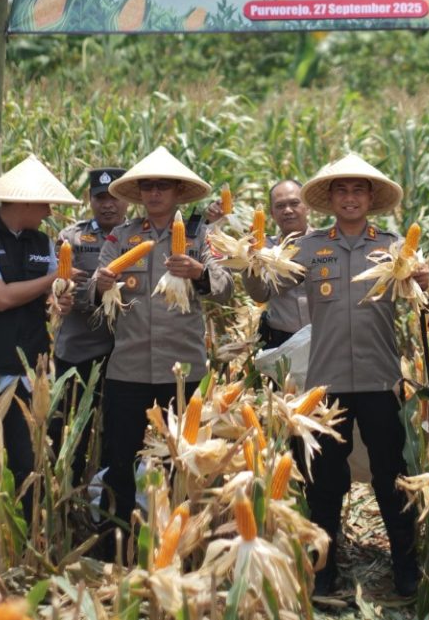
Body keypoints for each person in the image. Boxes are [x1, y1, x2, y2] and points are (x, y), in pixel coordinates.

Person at [245, 154, 427, 600]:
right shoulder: (308, 248)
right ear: (329, 200)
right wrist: (251, 261)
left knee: (392, 475)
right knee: (324, 481)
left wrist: (424, 279)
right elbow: (264, 293)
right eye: (342, 191)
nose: (350, 198)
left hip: (381, 380)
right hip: (325, 386)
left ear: (370, 198)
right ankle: (322, 569)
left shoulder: (392, 245)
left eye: (358, 191)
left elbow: (421, 302)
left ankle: (405, 568)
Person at [93, 146, 231, 554]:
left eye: (163, 187)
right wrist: (98, 284)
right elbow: (91, 289)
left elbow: (225, 288)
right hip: (128, 369)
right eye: (147, 187)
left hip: (182, 370)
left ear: (177, 193)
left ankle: (182, 544)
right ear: (138, 193)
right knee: (120, 462)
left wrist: (200, 272)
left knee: (181, 463)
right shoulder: (121, 236)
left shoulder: (199, 236)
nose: (154, 194)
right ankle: (114, 543)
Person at [0, 154, 76, 508]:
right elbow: (0, 298)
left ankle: (21, 547)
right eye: (45, 203)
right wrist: (54, 280)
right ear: (23, 201)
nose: (49, 212)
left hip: (28, 375)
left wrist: (60, 302)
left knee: (27, 468)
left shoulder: (44, 245)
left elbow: (51, 302)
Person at [51, 165, 126, 485]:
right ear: (89, 199)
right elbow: (61, 289)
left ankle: (104, 494)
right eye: (100, 197)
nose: (108, 204)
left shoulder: (138, 235)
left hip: (123, 353)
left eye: (114, 197)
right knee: (67, 429)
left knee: (116, 431)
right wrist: (91, 292)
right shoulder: (72, 238)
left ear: (125, 199)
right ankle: (64, 490)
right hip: (77, 351)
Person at [257, 178, 310, 350]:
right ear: (272, 213)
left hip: (325, 338)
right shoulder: (263, 249)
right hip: (281, 340)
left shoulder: (327, 244)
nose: (287, 210)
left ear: (307, 206)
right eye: (280, 206)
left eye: (294, 203)